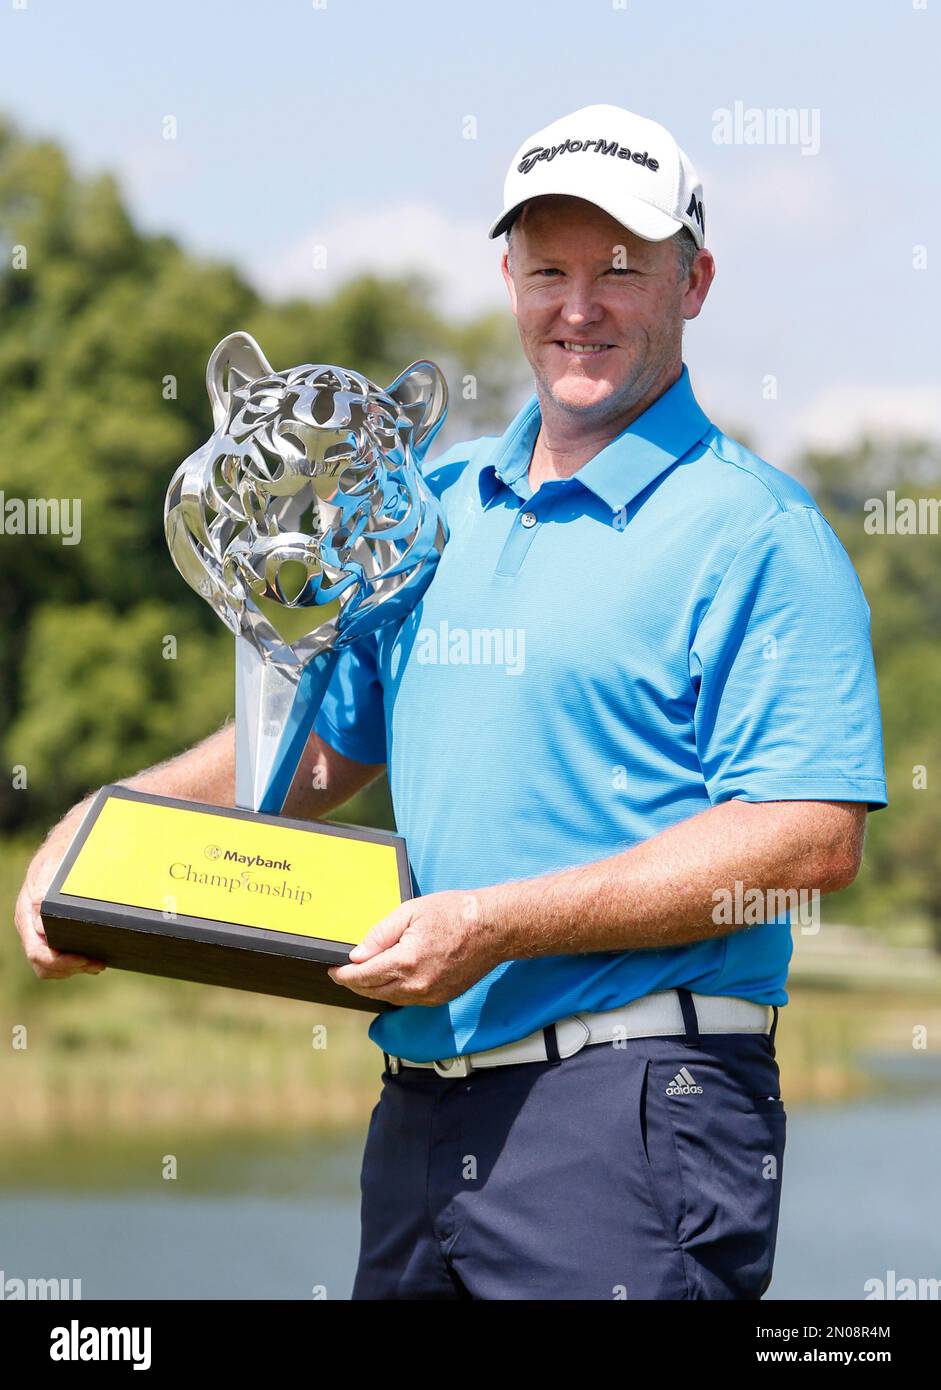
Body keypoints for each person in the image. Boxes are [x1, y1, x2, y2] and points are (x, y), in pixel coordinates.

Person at [16, 104, 887, 1301]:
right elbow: (320, 746)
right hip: (420, 1112)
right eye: (549, 269)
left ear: (694, 282)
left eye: (620, 269)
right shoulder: (431, 503)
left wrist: (490, 924)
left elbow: (806, 837)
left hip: (635, 1111)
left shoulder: (755, 530)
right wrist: (103, 829)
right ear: (508, 278)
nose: (578, 304)